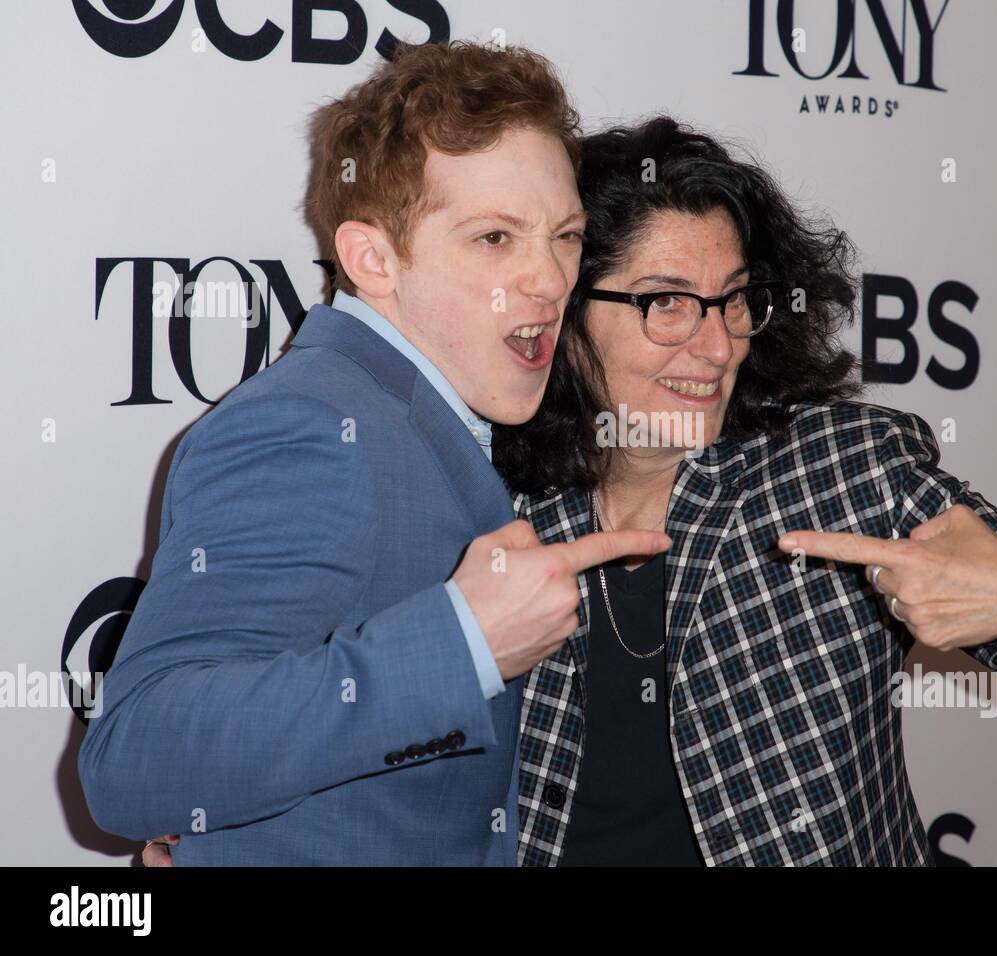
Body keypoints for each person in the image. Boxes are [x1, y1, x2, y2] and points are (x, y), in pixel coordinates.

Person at [142, 114, 997, 867]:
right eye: (665, 303)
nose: (716, 343)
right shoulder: (481, 499)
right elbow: (360, 730)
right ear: (563, 310)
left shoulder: (840, 469)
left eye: (735, 302)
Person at [79, 41, 667, 866]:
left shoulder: (428, 416)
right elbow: (134, 762)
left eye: (564, 235)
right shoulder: (311, 424)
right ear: (371, 260)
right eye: (495, 238)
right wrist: (462, 643)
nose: (547, 279)